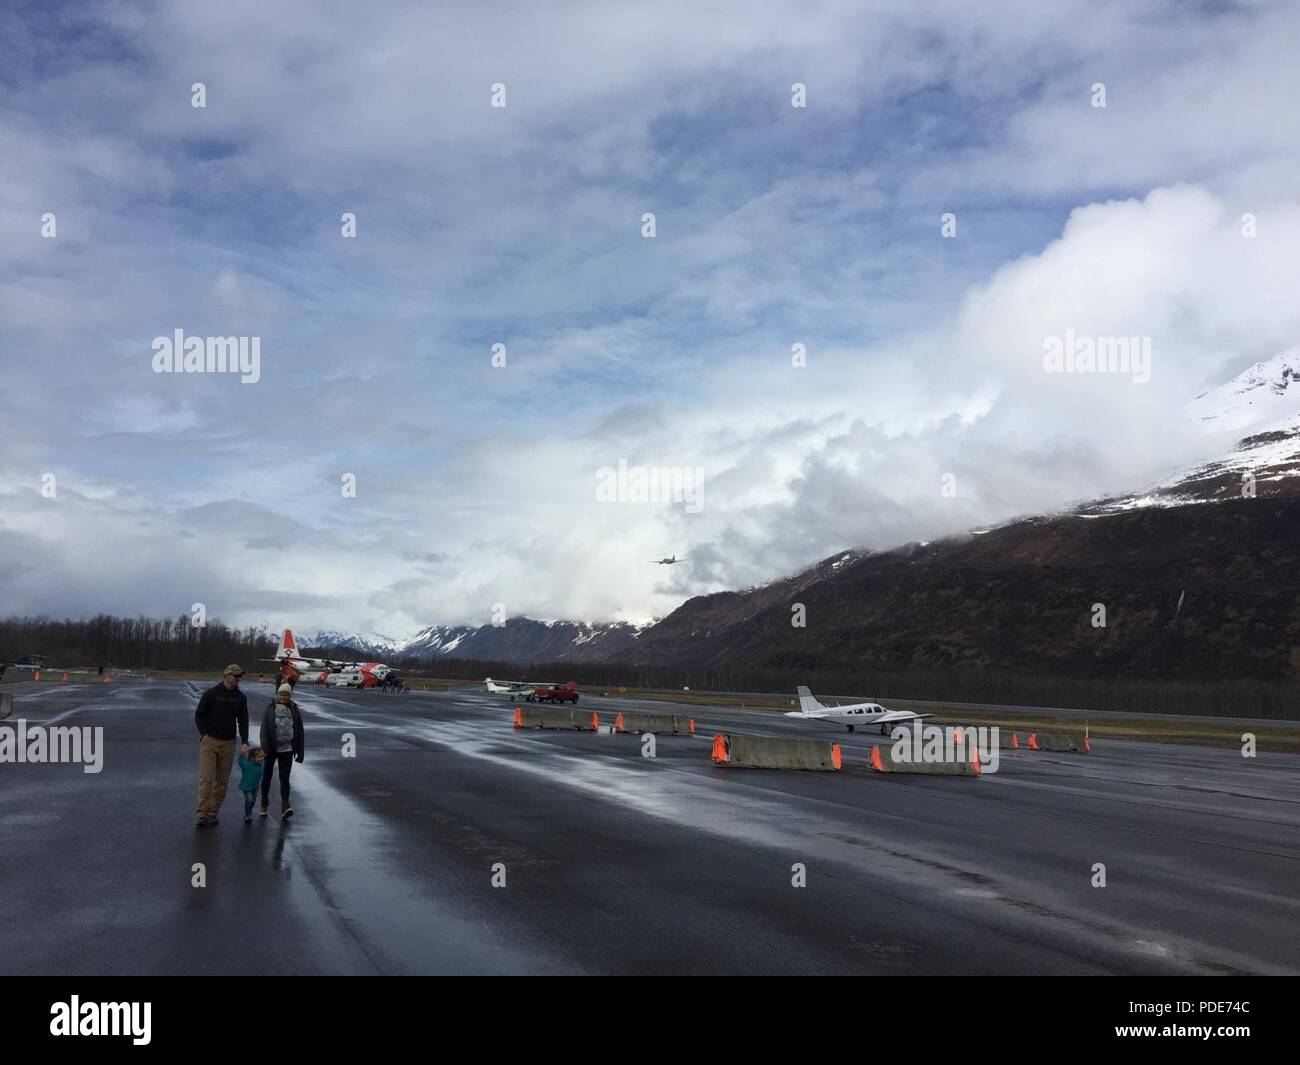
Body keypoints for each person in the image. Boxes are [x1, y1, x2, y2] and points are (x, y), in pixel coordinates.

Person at [194, 665, 250, 827]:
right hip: (210, 741)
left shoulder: (240, 697)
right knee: (207, 777)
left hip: (228, 743)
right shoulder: (211, 694)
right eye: (235, 676)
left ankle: (213, 812)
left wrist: (245, 741)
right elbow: (199, 715)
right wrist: (204, 733)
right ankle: (203, 814)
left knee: (222, 780)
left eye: (240, 676)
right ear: (226, 675)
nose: (238, 679)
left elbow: (243, 720)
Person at [259, 683, 304, 819]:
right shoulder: (270, 709)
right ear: (277, 695)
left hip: (287, 749)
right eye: (281, 694)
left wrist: (299, 750)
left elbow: (299, 731)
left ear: (290, 697)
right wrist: (265, 747)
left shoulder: (294, 710)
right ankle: (264, 804)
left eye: (286, 695)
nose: (283, 697)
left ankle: (285, 805)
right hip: (271, 749)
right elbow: (264, 729)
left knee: (285, 779)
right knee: (267, 777)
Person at [237, 746, 266, 823]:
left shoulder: (261, 765)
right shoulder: (247, 764)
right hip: (246, 787)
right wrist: (242, 754)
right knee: (249, 800)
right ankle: (248, 815)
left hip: (255, 787)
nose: (262, 759)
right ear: (253, 758)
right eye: (259, 757)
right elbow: (240, 761)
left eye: (262, 757)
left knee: (253, 801)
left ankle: (248, 811)